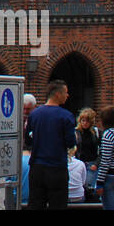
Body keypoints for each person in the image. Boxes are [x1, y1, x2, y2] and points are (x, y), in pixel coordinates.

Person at [24, 80, 76, 209]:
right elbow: (71, 142)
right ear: (58, 94)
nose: (67, 95)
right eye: (66, 92)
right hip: (57, 167)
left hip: (37, 168)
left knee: (36, 203)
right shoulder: (66, 116)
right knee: (58, 204)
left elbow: (28, 141)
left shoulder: (34, 115)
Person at [75, 107, 99, 190]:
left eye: (87, 121)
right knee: (79, 187)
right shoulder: (76, 132)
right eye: (83, 120)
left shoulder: (96, 132)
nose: (85, 123)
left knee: (89, 188)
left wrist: (96, 163)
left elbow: (103, 150)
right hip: (78, 164)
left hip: (91, 164)